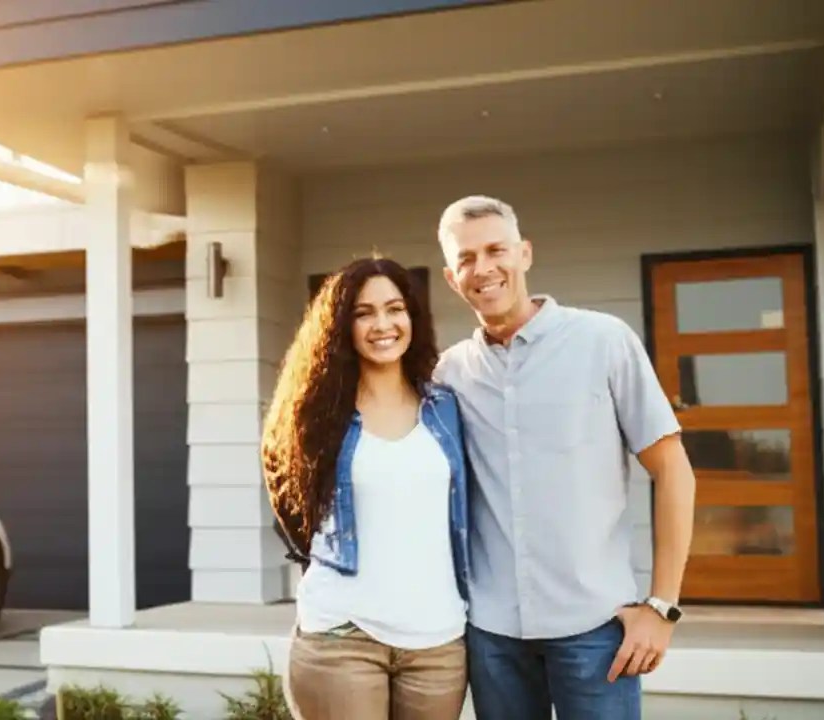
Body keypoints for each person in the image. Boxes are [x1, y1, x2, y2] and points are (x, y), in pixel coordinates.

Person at [432, 195, 697, 719]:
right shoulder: (449, 374)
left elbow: (672, 470)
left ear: (524, 253)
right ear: (450, 276)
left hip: (596, 628)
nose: (483, 269)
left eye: (495, 250)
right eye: (466, 259)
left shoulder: (603, 341)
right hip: (493, 635)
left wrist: (662, 606)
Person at [262, 256, 472, 720]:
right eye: (363, 313)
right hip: (342, 638)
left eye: (395, 309)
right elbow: (290, 503)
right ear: (341, 326)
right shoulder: (317, 415)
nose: (383, 324)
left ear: (412, 317)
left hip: (437, 644)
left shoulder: (447, 409)